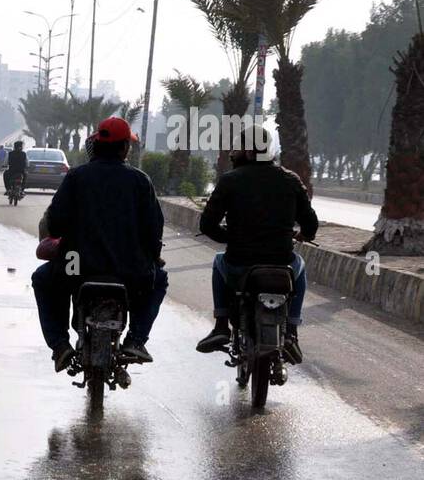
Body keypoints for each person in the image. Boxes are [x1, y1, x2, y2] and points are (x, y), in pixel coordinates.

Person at [31, 117, 167, 371]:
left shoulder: (76, 178)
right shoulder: (140, 181)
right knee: (159, 279)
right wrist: (153, 255)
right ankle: (136, 340)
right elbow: (154, 229)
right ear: (125, 147)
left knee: (43, 278)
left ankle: (60, 345)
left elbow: (56, 224)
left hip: (76, 269)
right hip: (130, 272)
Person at [195, 124, 317, 364]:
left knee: (219, 261)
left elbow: (207, 225)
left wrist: (230, 237)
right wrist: (303, 234)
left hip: (239, 263)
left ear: (249, 151)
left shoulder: (230, 180)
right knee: (299, 267)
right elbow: (311, 225)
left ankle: (221, 325)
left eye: (237, 148)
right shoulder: (290, 179)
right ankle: (291, 331)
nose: (232, 152)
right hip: (282, 263)